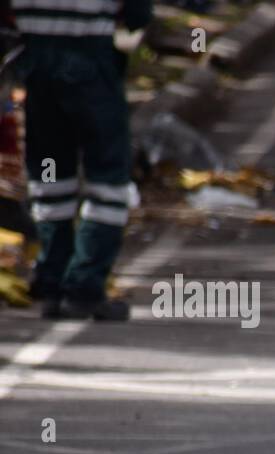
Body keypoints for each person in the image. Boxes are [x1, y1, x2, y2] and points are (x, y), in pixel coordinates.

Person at [8, 0, 152, 320]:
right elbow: (138, 16)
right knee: (107, 176)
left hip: (38, 72)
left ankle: (52, 277)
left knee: (50, 174)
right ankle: (85, 284)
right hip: (90, 67)